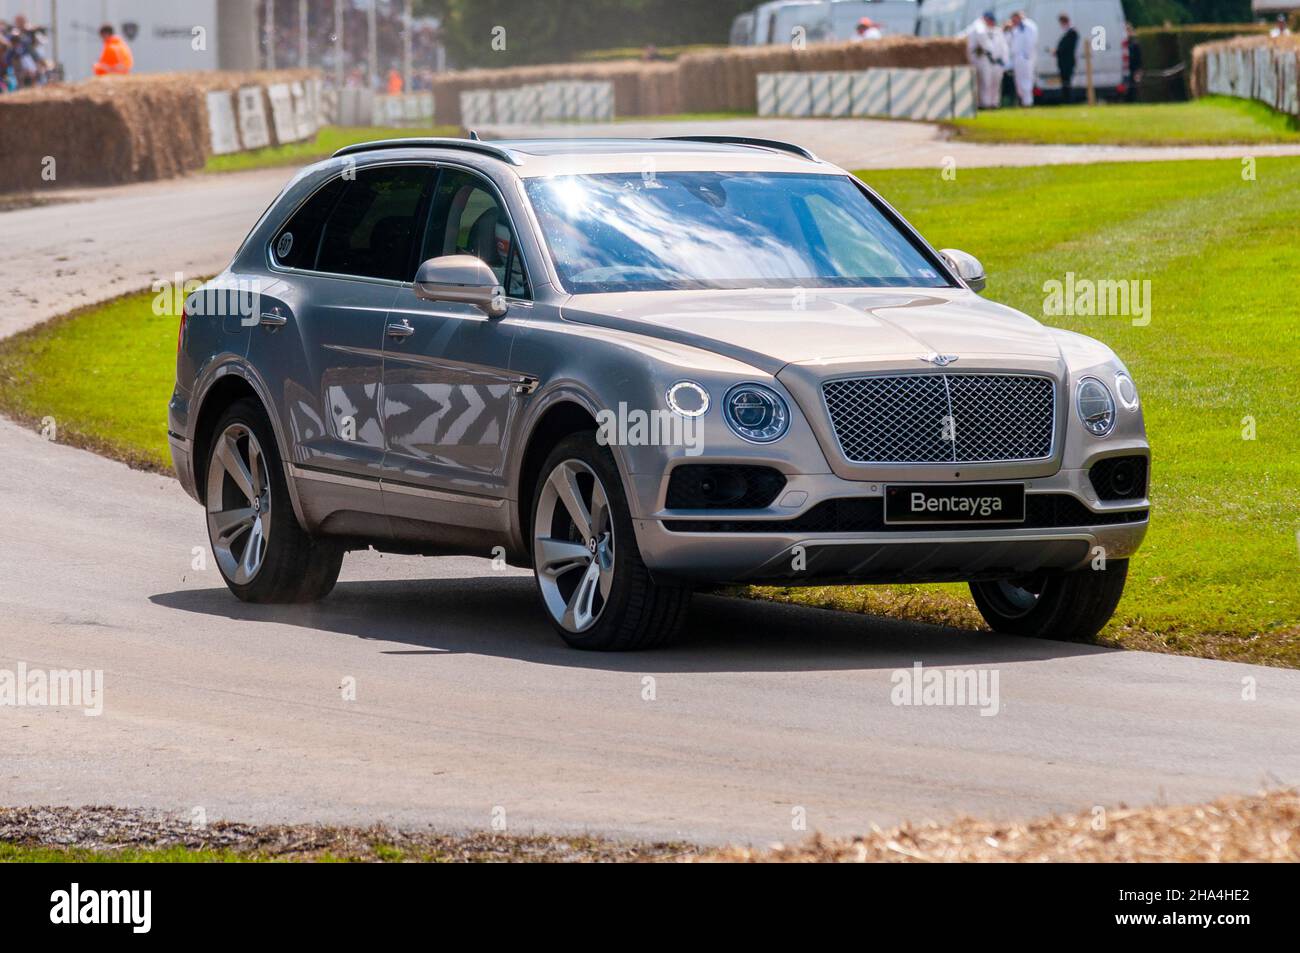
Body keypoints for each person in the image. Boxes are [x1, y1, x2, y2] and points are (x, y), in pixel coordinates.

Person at [967, 12, 1009, 109]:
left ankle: (994, 103)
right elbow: (983, 40)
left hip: (996, 61)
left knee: (995, 83)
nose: (992, 22)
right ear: (985, 19)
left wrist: (1004, 60)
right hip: (984, 59)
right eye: (990, 20)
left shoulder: (996, 31)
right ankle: (985, 103)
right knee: (985, 82)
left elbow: (1004, 46)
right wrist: (992, 53)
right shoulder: (979, 26)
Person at [1009, 10, 1038, 107]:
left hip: (1025, 58)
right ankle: (1023, 101)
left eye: (1014, 19)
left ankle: (1028, 102)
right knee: (1019, 81)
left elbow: (1031, 42)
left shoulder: (1028, 26)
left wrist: (1026, 55)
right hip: (1018, 57)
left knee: (1026, 80)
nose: (1013, 22)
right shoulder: (1017, 28)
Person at [1055, 14, 1078, 104]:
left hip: (1067, 62)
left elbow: (1067, 47)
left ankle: (1069, 100)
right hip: (1063, 62)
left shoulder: (1072, 32)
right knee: (1065, 82)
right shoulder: (1068, 32)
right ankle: (1066, 99)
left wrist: (1058, 51)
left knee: (1067, 82)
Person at [1123, 21, 1141, 102]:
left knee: (1132, 89)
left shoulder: (1135, 44)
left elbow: (1138, 59)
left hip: (1132, 70)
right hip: (1123, 70)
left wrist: (1138, 71)